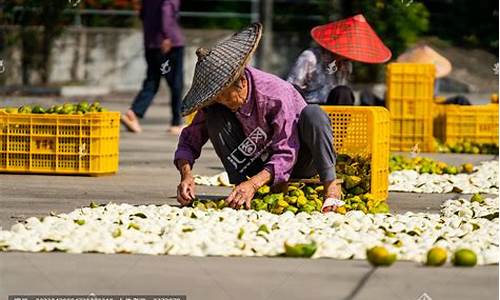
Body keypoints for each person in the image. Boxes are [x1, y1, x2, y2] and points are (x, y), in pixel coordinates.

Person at [174, 23, 343, 213]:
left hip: (300, 159)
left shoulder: (275, 94)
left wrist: (254, 184)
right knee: (213, 115)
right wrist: (186, 175)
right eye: (216, 97)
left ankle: (331, 188)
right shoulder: (217, 102)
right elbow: (190, 139)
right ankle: (239, 189)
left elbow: (287, 152)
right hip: (257, 158)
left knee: (314, 114)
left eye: (224, 95)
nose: (221, 101)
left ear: (242, 82)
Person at [287, 14, 391, 105]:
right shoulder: (310, 57)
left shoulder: (346, 65)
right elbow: (292, 87)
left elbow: (341, 96)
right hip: (311, 107)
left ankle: (340, 127)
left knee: (343, 91)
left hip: (335, 111)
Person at [121, 0, 185, 134]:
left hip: (151, 43)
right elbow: (166, 11)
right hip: (169, 45)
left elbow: (142, 14)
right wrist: (167, 36)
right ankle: (176, 123)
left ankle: (134, 113)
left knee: (152, 80)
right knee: (176, 83)